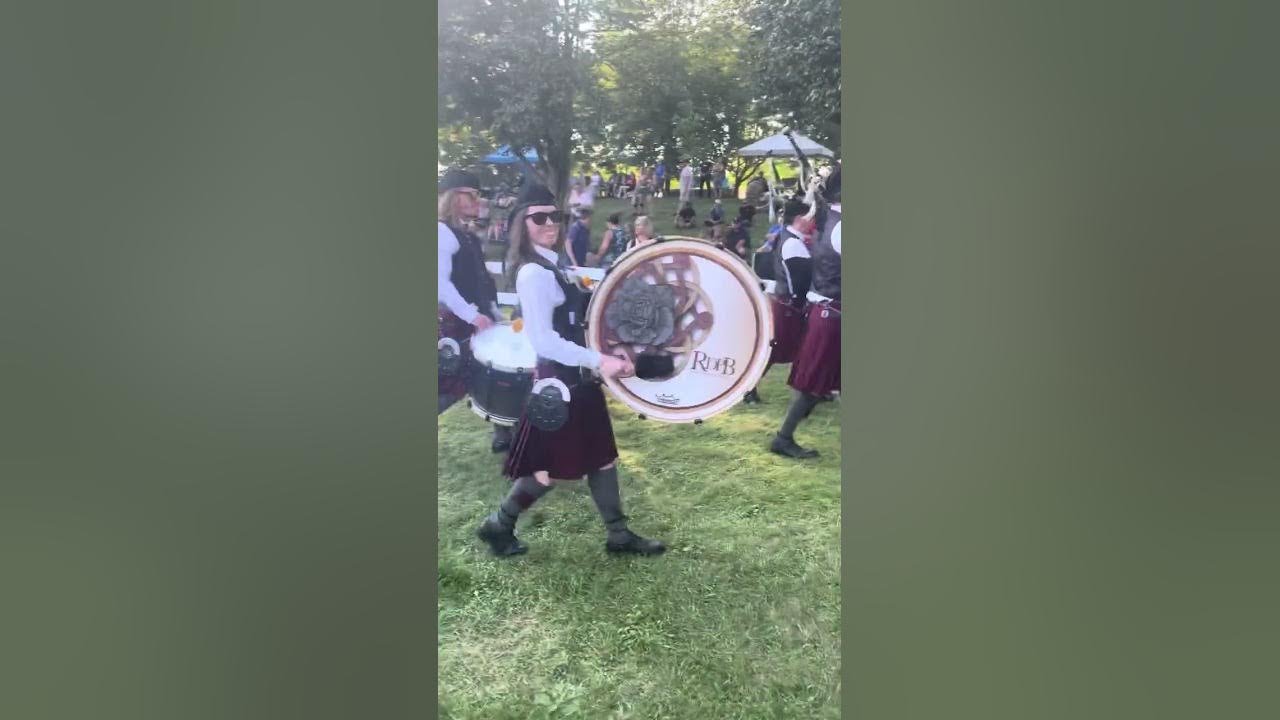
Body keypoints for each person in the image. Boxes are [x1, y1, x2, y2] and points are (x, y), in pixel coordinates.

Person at [477, 182, 665, 558]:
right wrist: (601, 361)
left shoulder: (553, 263)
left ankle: (619, 535)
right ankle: (498, 525)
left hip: (577, 380)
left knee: (602, 457)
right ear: (521, 223)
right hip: (558, 386)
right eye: (539, 217)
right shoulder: (533, 273)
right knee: (546, 473)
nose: (550, 223)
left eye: (556, 216)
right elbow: (543, 341)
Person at [437, 168, 511, 452]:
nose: (479, 201)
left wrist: (492, 312)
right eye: (474, 195)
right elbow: (440, 284)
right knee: (448, 387)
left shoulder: (466, 235)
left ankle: (504, 434)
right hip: (457, 322)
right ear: (456, 197)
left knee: (496, 373)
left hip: (477, 318)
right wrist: (473, 316)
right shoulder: (442, 232)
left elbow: (480, 279)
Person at [772, 180, 841, 458]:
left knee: (818, 383)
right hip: (832, 313)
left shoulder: (833, 221)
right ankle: (783, 438)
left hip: (831, 311)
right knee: (812, 384)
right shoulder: (840, 226)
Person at [743, 196, 815, 405]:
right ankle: (748, 389)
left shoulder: (788, 238)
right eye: (810, 218)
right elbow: (803, 281)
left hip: (788, 305)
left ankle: (810, 389)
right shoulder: (793, 244)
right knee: (772, 352)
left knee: (804, 349)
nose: (813, 222)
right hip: (789, 307)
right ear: (800, 219)